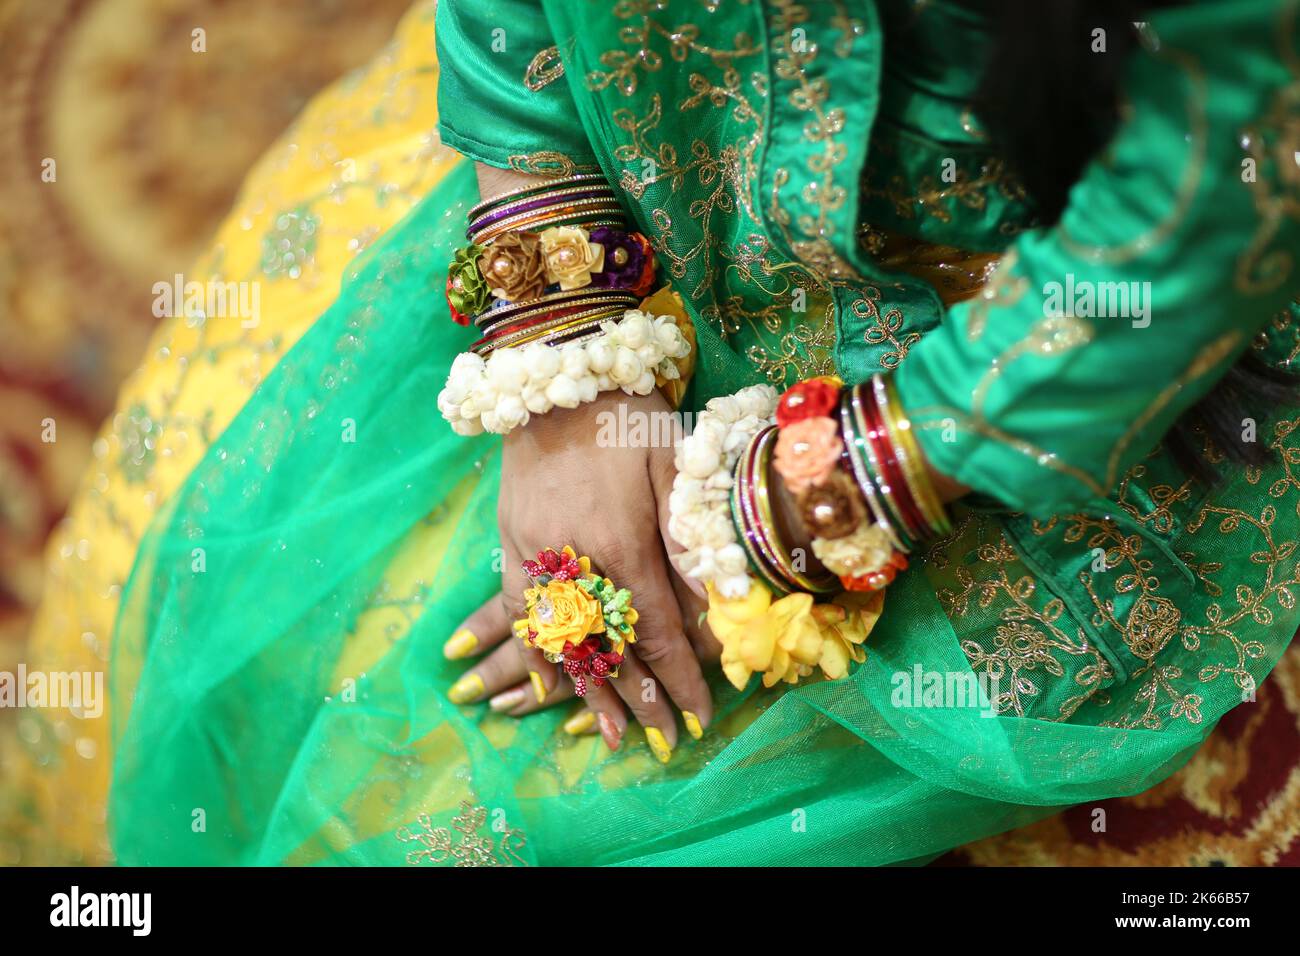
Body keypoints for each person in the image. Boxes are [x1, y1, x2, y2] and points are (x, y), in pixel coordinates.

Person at [6, 0, 1299, 866]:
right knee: (204, 573)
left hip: (1019, 348)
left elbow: (1211, 191)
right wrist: (561, 339)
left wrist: (790, 509)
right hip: (598, 127)